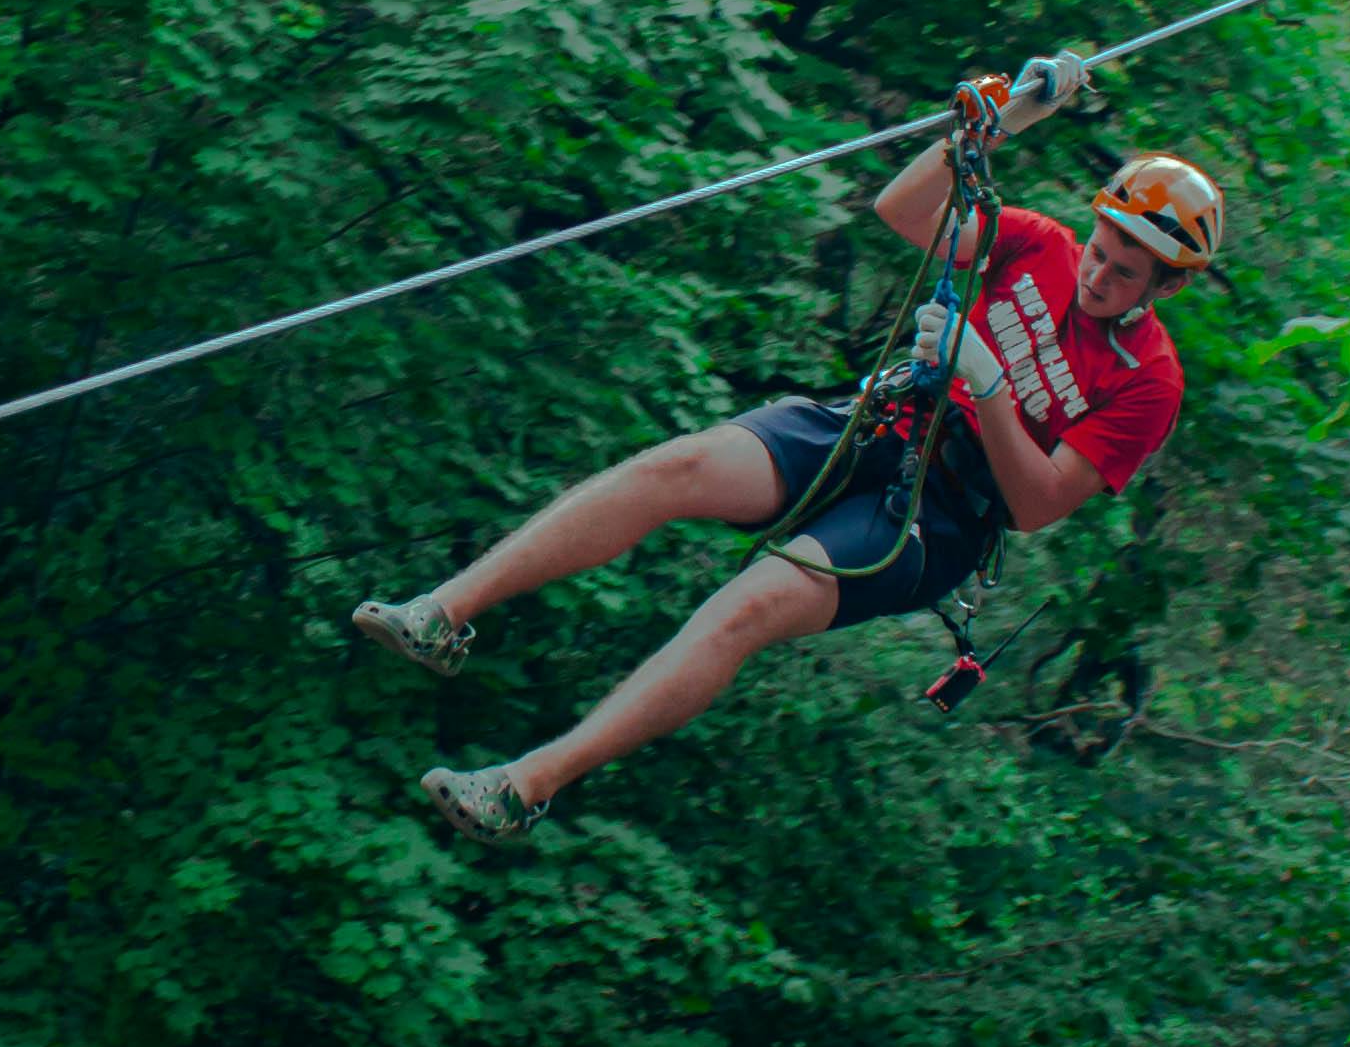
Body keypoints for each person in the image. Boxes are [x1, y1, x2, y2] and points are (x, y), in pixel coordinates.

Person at [350, 56, 1226, 846]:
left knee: (747, 608)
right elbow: (904, 208)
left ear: (1168, 286)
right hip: (882, 423)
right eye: (1104, 249)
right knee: (676, 468)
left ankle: (522, 787)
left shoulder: (1149, 382)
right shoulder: (1040, 245)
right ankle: (443, 613)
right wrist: (1000, 122)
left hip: (942, 514)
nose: (1098, 275)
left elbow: (1036, 504)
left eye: (1124, 273)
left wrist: (989, 384)